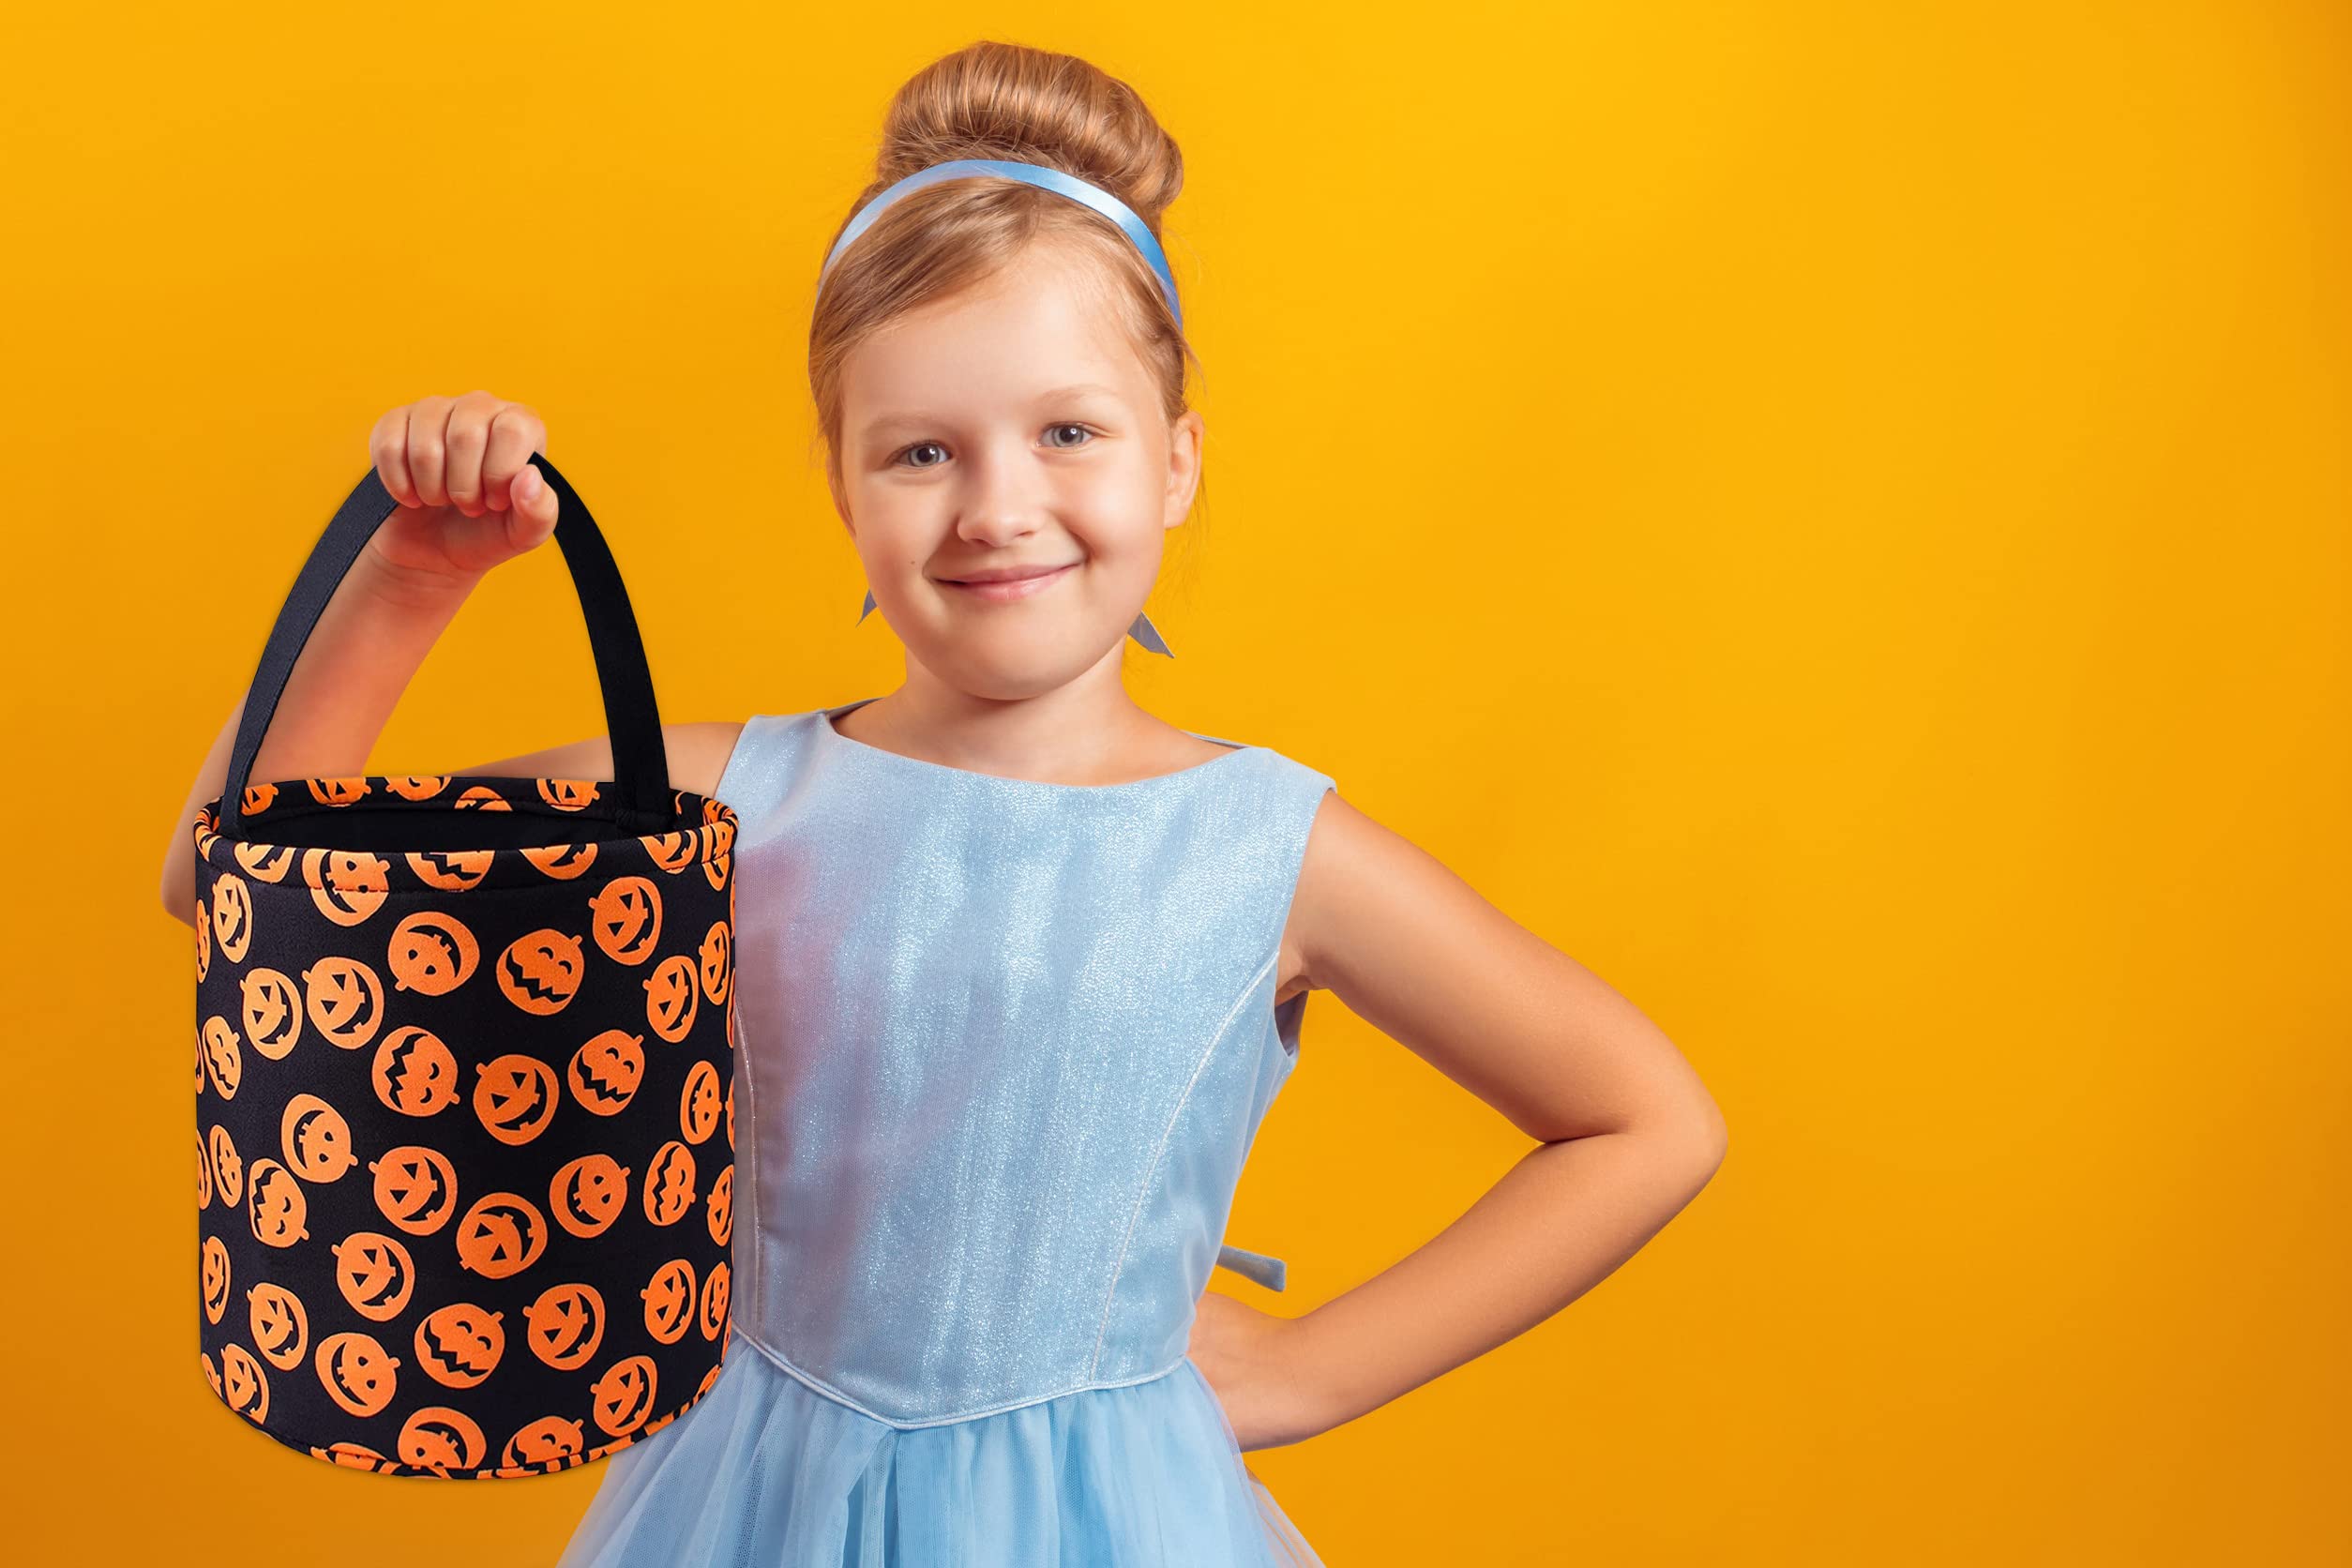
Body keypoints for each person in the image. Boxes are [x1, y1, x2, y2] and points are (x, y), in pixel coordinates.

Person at [158, 38, 1726, 1566]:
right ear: (843, 487)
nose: (998, 506)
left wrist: (1317, 1369)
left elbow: (1647, 1121)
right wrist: (408, 579)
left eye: (1068, 432)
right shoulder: (708, 802)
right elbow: (234, 885)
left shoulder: (1268, 851)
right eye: (920, 450)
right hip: (740, 1503)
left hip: (1116, 1516)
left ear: (1174, 461)